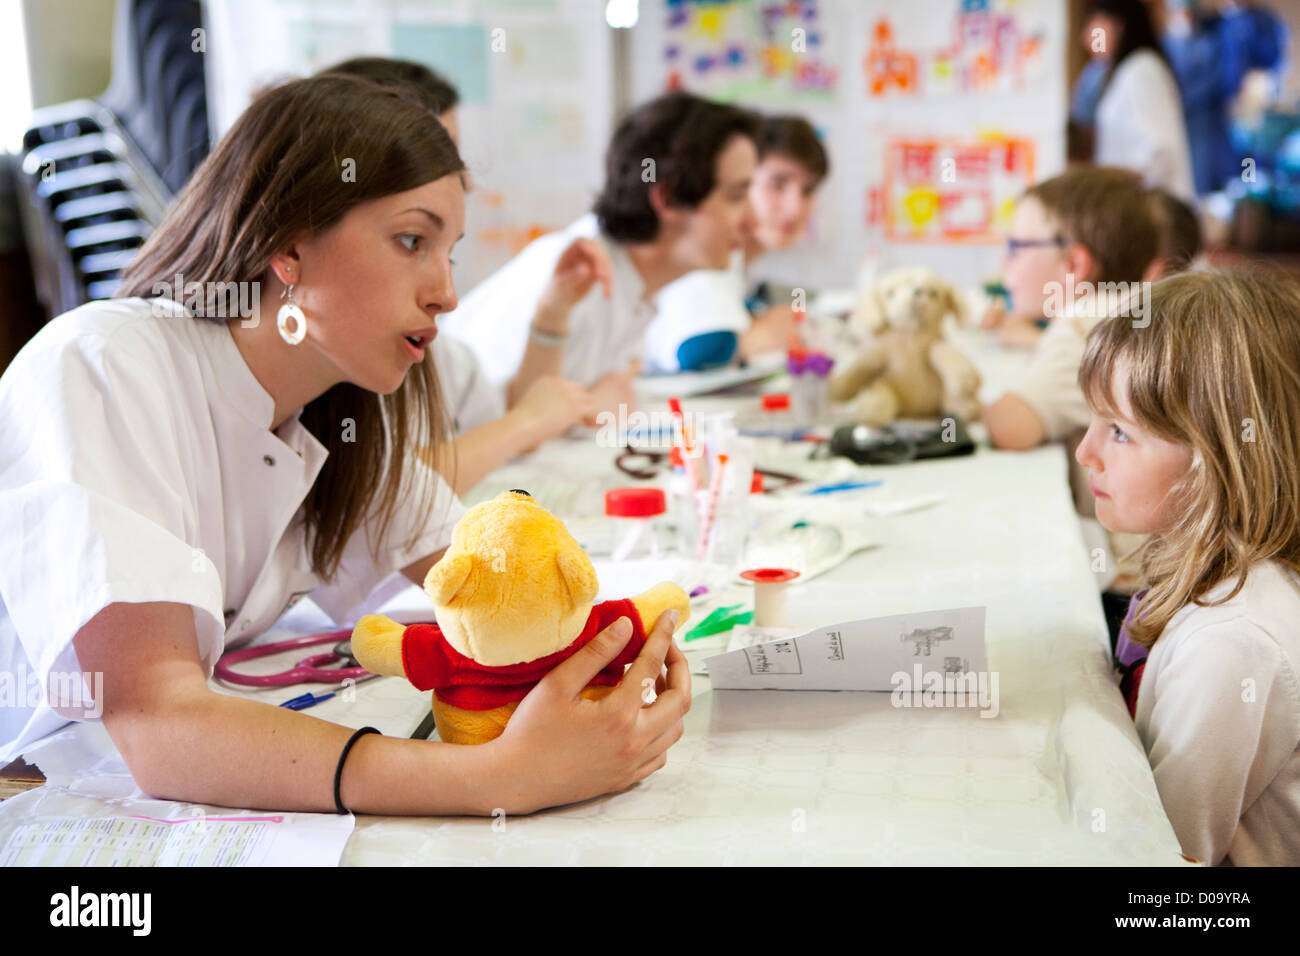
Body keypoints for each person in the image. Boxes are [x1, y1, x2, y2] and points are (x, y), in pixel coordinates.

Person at [0, 75, 689, 815]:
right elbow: (160, 722)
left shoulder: (339, 405)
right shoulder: (103, 365)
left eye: (448, 253)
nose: (445, 293)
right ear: (288, 244)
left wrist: (623, 656)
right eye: (411, 241)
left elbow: (497, 586)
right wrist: (498, 781)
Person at [1075, 268, 1300, 865]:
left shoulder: (1233, 641)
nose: (1085, 451)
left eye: (1119, 432)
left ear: (1217, 458)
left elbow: (1158, 857)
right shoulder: (1211, 565)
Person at [321, 57, 594, 495]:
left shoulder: (436, 346)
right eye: (434, 154)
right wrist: (525, 423)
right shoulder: (330, 354)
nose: (464, 180)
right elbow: (376, 494)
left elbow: (499, 428)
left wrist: (552, 315)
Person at [441, 91, 759, 407]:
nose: (751, 220)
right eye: (735, 197)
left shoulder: (636, 281)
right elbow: (493, 423)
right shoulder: (571, 271)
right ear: (668, 198)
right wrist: (589, 406)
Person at [643, 114, 830, 373]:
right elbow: (695, 350)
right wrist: (757, 336)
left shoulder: (739, 261)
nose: (794, 209)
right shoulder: (711, 250)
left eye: (808, 191)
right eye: (777, 184)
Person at [1085, 0, 1196, 202]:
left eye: (1096, 29)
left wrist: (1109, 186)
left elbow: (1159, 154)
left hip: (1150, 212)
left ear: (1119, 27)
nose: (1088, 38)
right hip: (1140, 209)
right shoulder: (1124, 72)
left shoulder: (1141, 70)